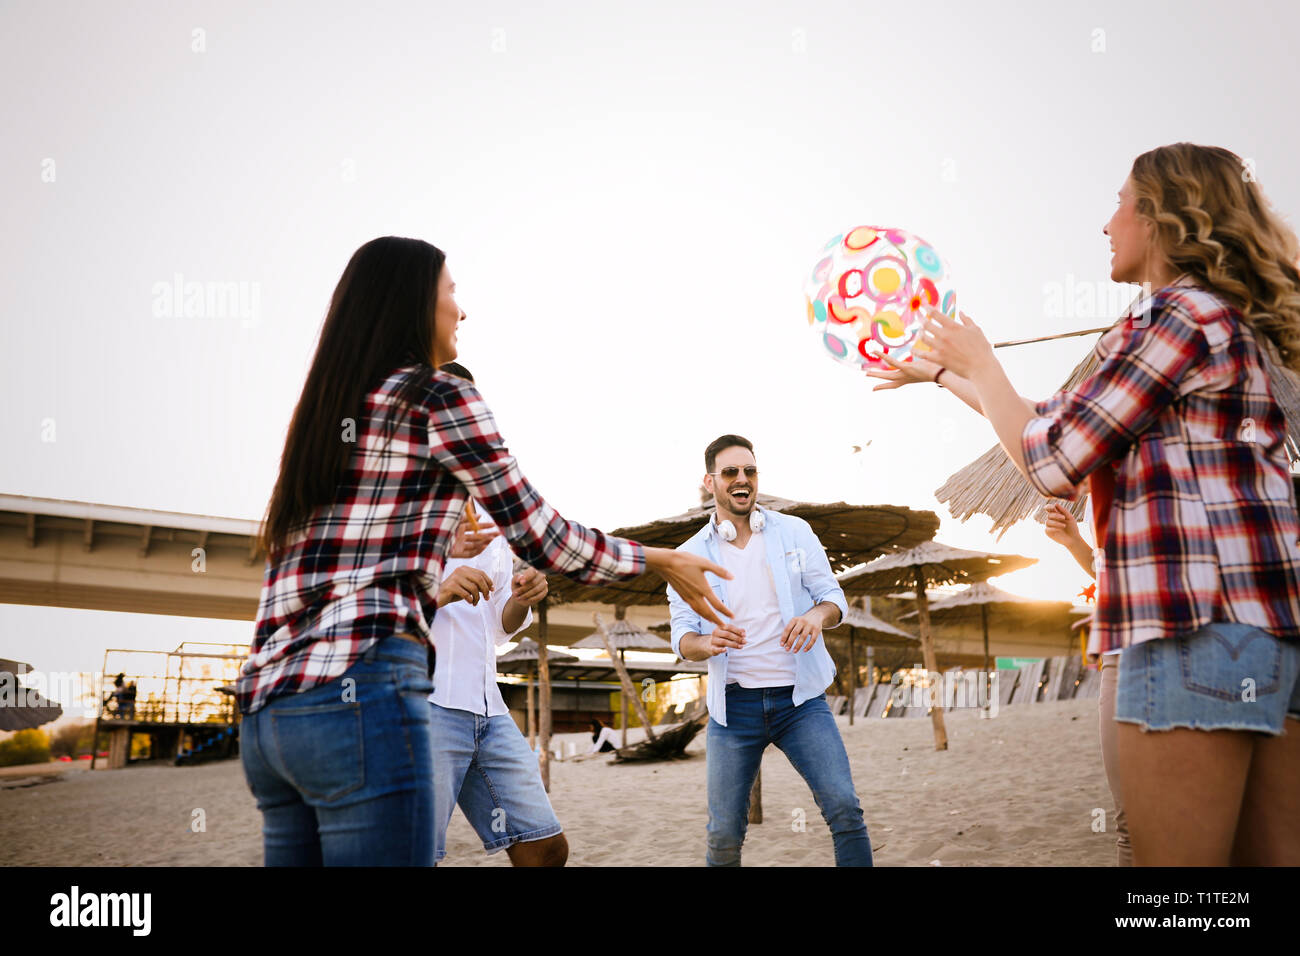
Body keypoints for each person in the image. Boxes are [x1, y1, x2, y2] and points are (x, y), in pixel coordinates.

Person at [869, 143, 1300, 866]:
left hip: (1189, 632)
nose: (1107, 224)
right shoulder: (1229, 324)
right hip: (1274, 635)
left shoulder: (1170, 314)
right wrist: (949, 373)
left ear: (1160, 217)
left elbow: (1051, 459)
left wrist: (982, 361)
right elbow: (1047, 419)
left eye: (1120, 202)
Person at [240, 236, 732, 866]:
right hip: (361, 699)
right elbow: (544, 537)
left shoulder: (321, 421)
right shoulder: (437, 396)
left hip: (269, 715)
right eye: (450, 292)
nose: (461, 311)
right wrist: (662, 559)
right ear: (414, 303)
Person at [668, 434, 872, 867]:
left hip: (800, 701)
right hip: (733, 710)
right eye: (730, 473)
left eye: (750, 471)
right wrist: (706, 643)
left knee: (844, 808)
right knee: (723, 835)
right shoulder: (685, 557)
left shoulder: (796, 532)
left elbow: (834, 599)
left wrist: (816, 617)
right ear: (710, 482)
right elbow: (683, 638)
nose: (742, 480)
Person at [425, 362, 567, 867]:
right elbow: (365, 602)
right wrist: (437, 591)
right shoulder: (393, 500)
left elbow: (498, 627)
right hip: (425, 708)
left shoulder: (493, 512)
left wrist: (522, 599)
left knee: (546, 848)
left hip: (489, 709)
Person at [1043, 499, 1131, 866]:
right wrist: (1075, 542)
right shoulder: (1097, 476)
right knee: (1130, 820)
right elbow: (1110, 573)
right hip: (1122, 648)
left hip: (1198, 639)